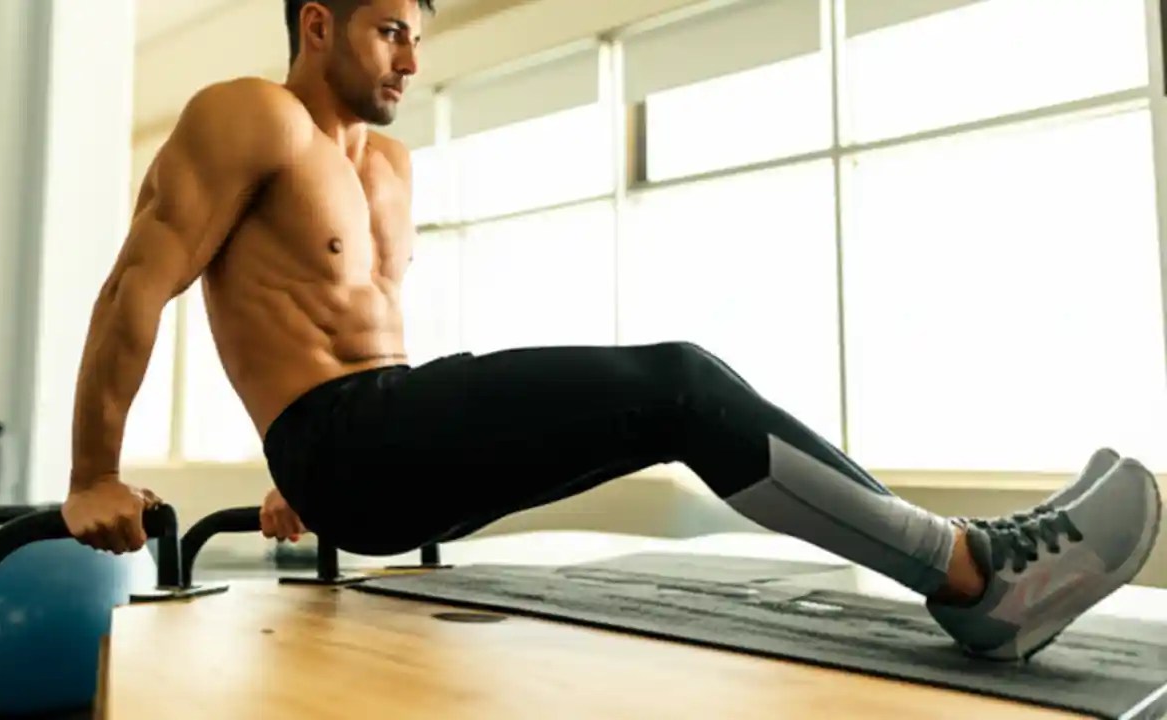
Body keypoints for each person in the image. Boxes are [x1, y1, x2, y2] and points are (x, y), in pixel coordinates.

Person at [63, 0, 1162, 662]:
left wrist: (316, 478)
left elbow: (348, 330)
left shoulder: (385, 166)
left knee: (688, 383)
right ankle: (973, 572)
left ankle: (967, 566)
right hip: (343, 440)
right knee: (677, 381)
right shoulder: (248, 115)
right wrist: (93, 471)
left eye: (417, 38)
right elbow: (136, 286)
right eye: (391, 30)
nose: (410, 59)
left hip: (370, 443)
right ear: (316, 24)